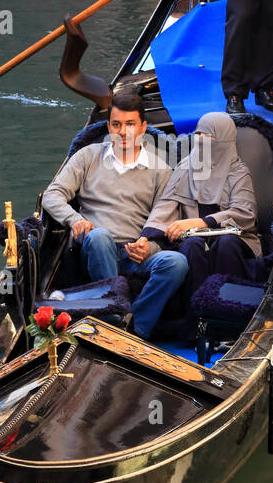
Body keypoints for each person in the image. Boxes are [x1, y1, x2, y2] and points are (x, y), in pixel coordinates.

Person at [41, 89, 188, 340]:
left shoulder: (161, 171)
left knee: (176, 263)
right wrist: (75, 219)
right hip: (93, 245)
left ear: (142, 128)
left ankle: (134, 327)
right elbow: (51, 195)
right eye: (117, 125)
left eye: (130, 125)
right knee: (100, 237)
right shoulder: (87, 156)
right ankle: (112, 315)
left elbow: (165, 219)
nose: (123, 132)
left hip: (134, 252)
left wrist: (149, 246)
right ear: (109, 127)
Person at [142, 113, 260, 303]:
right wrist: (146, 239)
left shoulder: (239, 173)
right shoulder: (184, 168)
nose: (201, 142)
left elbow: (244, 213)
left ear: (224, 141)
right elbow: (164, 206)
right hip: (193, 239)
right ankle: (194, 317)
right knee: (191, 245)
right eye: (198, 135)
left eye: (209, 137)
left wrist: (200, 222)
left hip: (234, 238)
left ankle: (230, 308)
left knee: (226, 243)